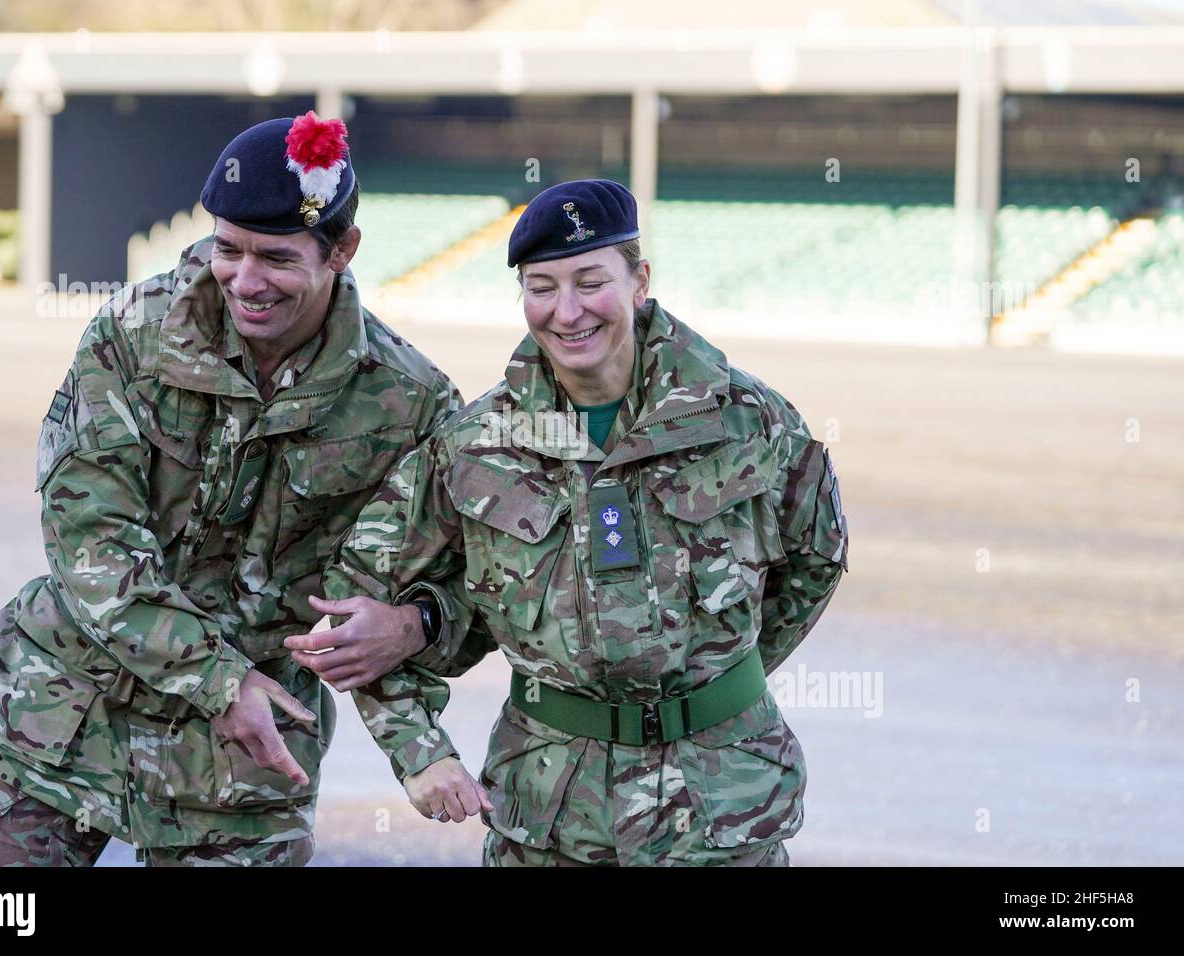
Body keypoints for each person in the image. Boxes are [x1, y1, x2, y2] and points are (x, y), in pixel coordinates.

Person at [0, 112, 457, 867]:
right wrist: (216, 677)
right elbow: (91, 540)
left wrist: (416, 626)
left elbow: (446, 580)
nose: (244, 279)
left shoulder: (409, 403)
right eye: (228, 248)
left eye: (275, 258)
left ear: (341, 251)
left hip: (243, 761)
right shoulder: (133, 336)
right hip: (67, 714)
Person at [298, 179, 849, 866]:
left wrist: (722, 674)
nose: (567, 312)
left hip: (722, 810)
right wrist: (418, 753)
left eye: (591, 282)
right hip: (550, 817)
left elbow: (817, 555)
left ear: (639, 280)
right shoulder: (476, 445)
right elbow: (359, 598)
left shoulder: (749, 421)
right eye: (541, 287)